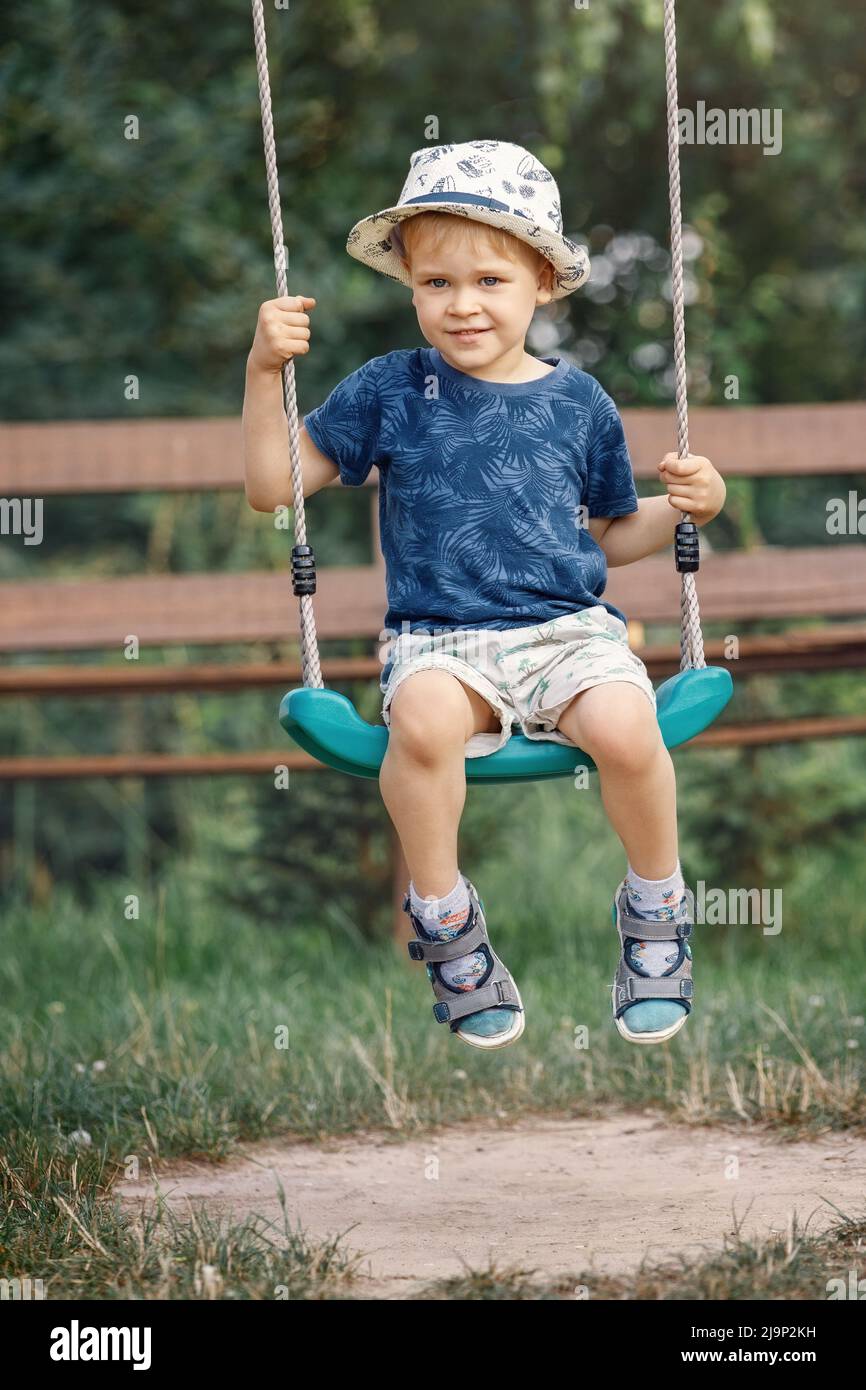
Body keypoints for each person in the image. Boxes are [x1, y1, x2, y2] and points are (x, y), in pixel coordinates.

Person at [242, 139, 726, 1052]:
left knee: (630, 729)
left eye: (490, 280)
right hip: (440, 641)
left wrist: (688, 507)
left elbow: (614, 537)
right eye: (436, 284)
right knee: (420, 724)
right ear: (411, 287)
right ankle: (448, 924)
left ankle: (656, 910)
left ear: (542, 281)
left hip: (570, 633)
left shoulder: (579, 402)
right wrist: (265, 370)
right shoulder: (389, 389)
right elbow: (273, 489)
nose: (462, 304)